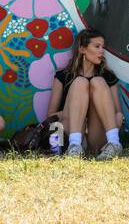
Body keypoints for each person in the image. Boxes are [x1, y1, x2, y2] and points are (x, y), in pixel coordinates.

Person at [49, 28, 124, 159]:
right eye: (97, 46)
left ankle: (114, 143)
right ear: (82, 49)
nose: (102, 50)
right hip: (70, 129)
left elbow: (118, 114)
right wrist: (78, 108)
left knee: (98, 81)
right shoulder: (63, 76)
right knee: (80, 83)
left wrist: (93, 109)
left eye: (103, 47)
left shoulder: (107, 77)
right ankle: (75, 146)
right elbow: (50, 116)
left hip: (95, 135)